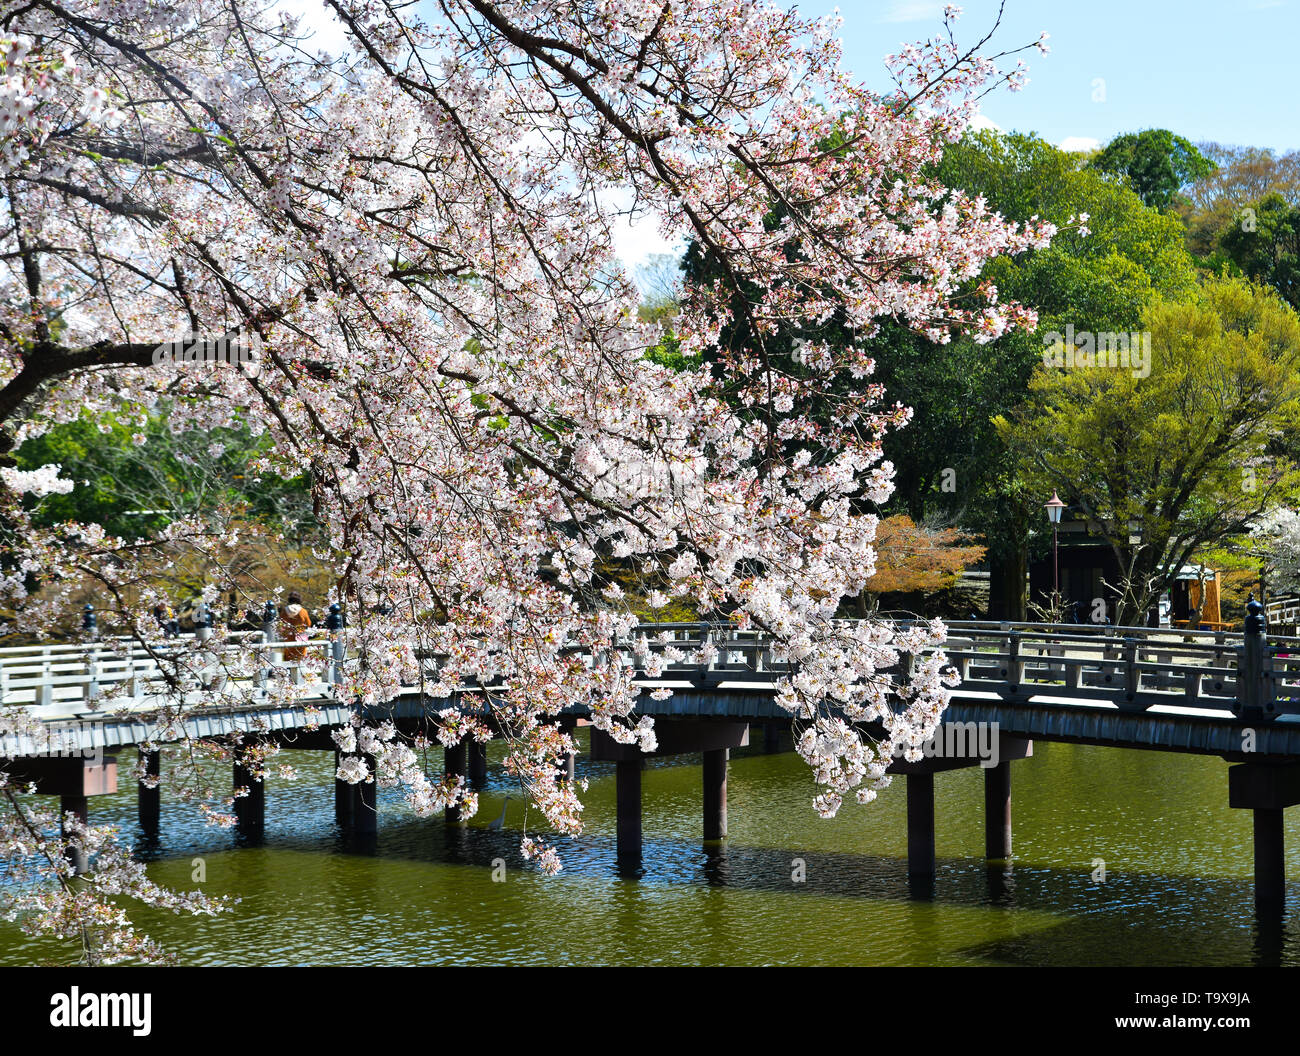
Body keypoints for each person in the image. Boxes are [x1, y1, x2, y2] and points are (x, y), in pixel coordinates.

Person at [280, 591, 312, 662]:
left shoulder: (284, 611)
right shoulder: (303, 611)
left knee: (288, 658)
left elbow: (281, 624)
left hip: (288, 637)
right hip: (300, 637)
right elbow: (308, 623)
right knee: (300, 657)